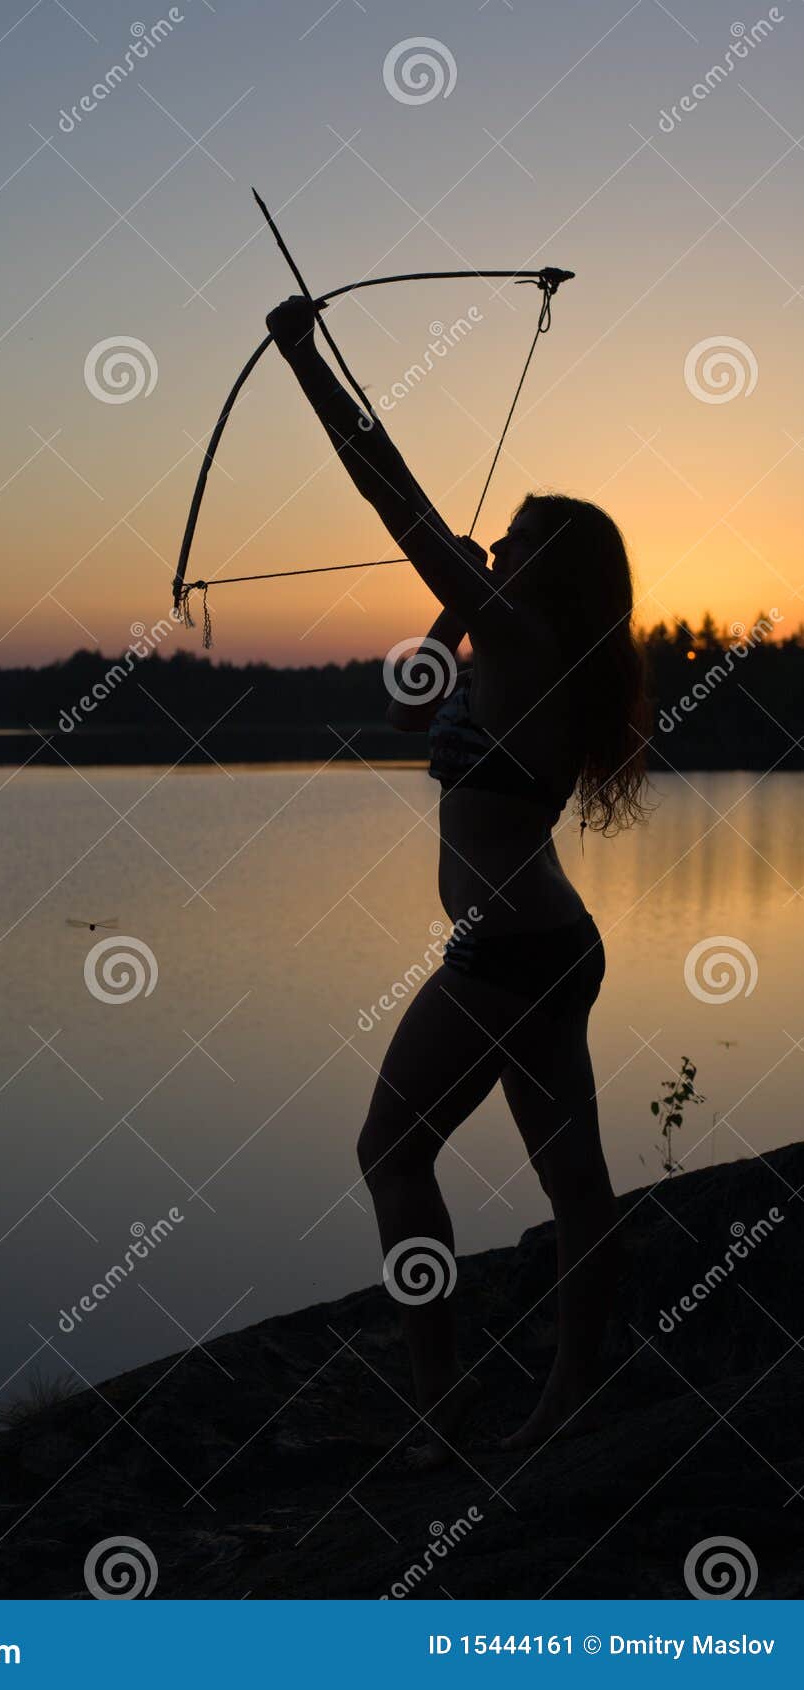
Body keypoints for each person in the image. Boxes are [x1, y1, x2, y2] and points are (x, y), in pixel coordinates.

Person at [266, 295, 650, 1463]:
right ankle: (569, 1391)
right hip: (541, 948)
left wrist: (303, 360)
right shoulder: (506, 651)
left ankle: (442, 1402)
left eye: (519, 534)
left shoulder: (531, 641)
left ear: (550, 569)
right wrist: (448, 605)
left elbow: (391, 495)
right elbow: (406, 703)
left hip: (510, 955)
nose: (500, 541)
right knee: (572, 1185)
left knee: (391, 1150)